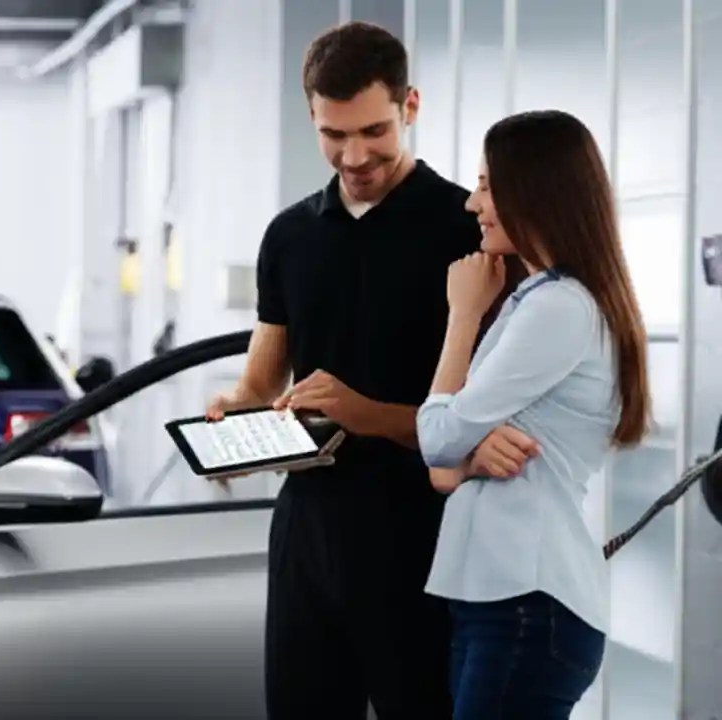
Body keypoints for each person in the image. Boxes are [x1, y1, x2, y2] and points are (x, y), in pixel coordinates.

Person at [204, 21, 483, 718]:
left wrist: (366, 412)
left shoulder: (465, 227)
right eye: (334, 135)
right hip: (307, 530)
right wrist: (230, 420)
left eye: (374, 131)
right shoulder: (289, 235)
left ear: (410, 106)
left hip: (423, 530)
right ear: (312, 117)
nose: (354, 155)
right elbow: (260, 382)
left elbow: (482, 412)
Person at [418, 109, 649, 719]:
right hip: (498, 603)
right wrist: (468, 452)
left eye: (488, 185)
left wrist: (462, 316)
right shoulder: (539, 300)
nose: (473, 203)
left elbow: (437, 438)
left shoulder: (560, 309)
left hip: (525, 606)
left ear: (535, 190)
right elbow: (443, 468)